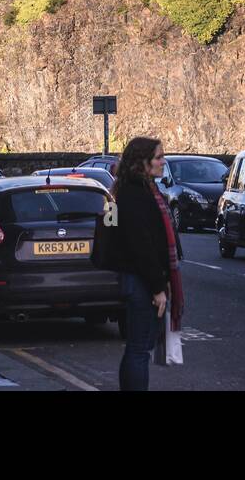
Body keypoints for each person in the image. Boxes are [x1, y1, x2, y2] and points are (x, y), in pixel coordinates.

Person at [105, 137, 184, 391]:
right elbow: (142, 245)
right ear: (143, 162)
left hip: (139, 280)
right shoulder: (136, 193)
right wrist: (158, 288)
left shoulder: (143, 189)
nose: (164, 162)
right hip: (140, 282)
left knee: (138, 348)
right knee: (139, 350)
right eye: (159, 157)